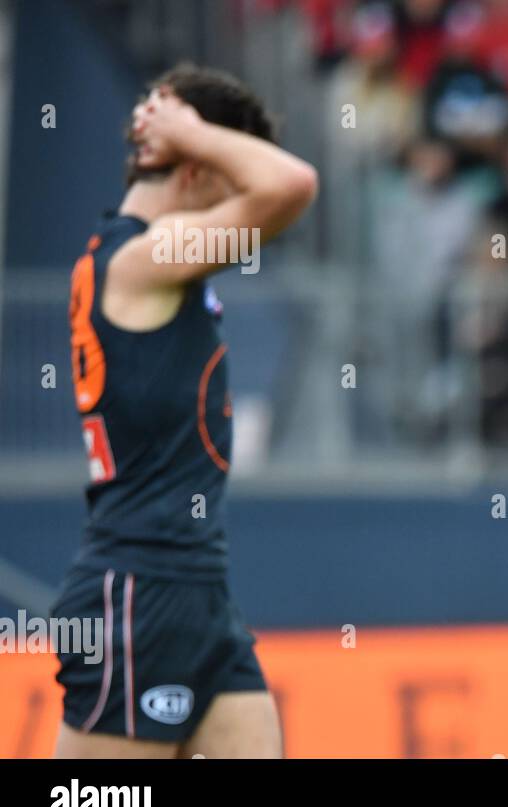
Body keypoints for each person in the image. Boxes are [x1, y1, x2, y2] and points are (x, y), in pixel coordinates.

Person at [54, 64, 317, 758]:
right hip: (138, 592)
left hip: (198, 588)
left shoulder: (145, 260)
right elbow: (291, 187)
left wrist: (191, 135)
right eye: (226, 186)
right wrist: (194, 132)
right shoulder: (144, 257)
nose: (236, 216)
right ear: (198, 170)